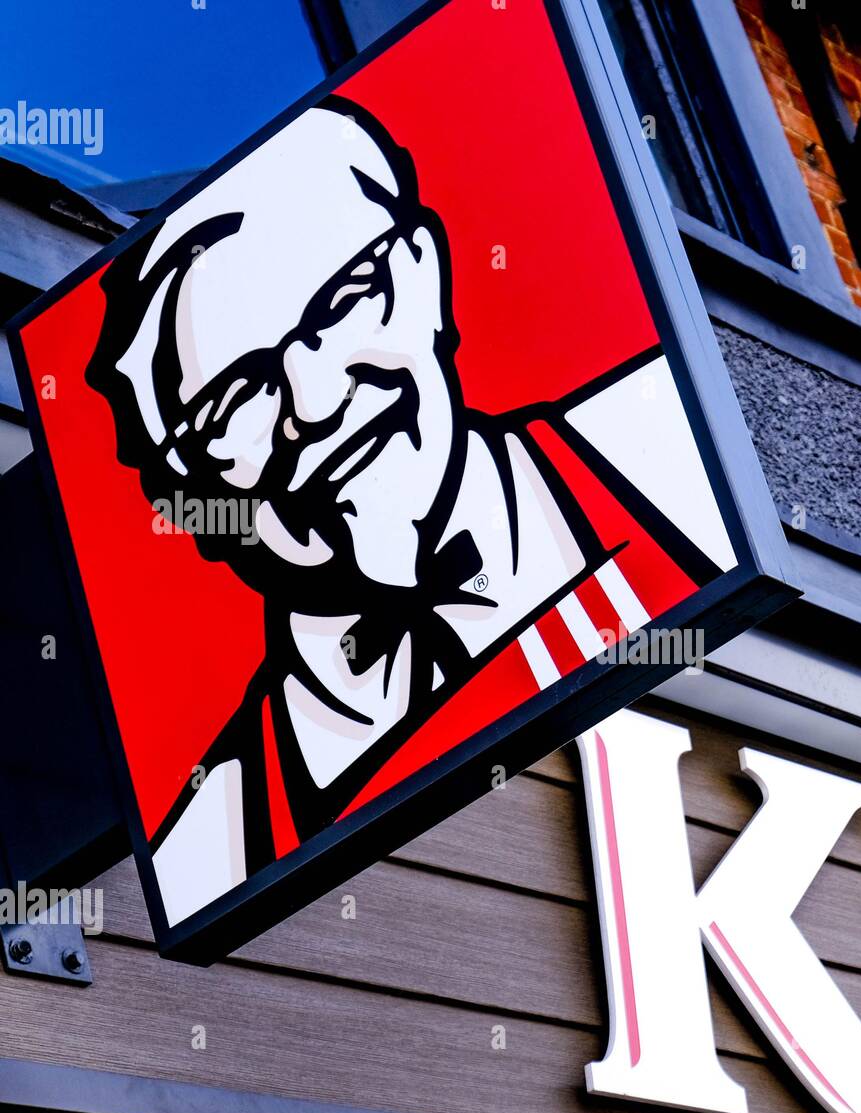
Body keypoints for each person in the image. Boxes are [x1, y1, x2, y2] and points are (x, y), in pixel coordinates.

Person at [87, 95, 736, 925]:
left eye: (344, 298)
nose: (316, 403)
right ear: (188, 501)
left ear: (426, 272)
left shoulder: (676, 482)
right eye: (236, 399)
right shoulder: (208, 849)